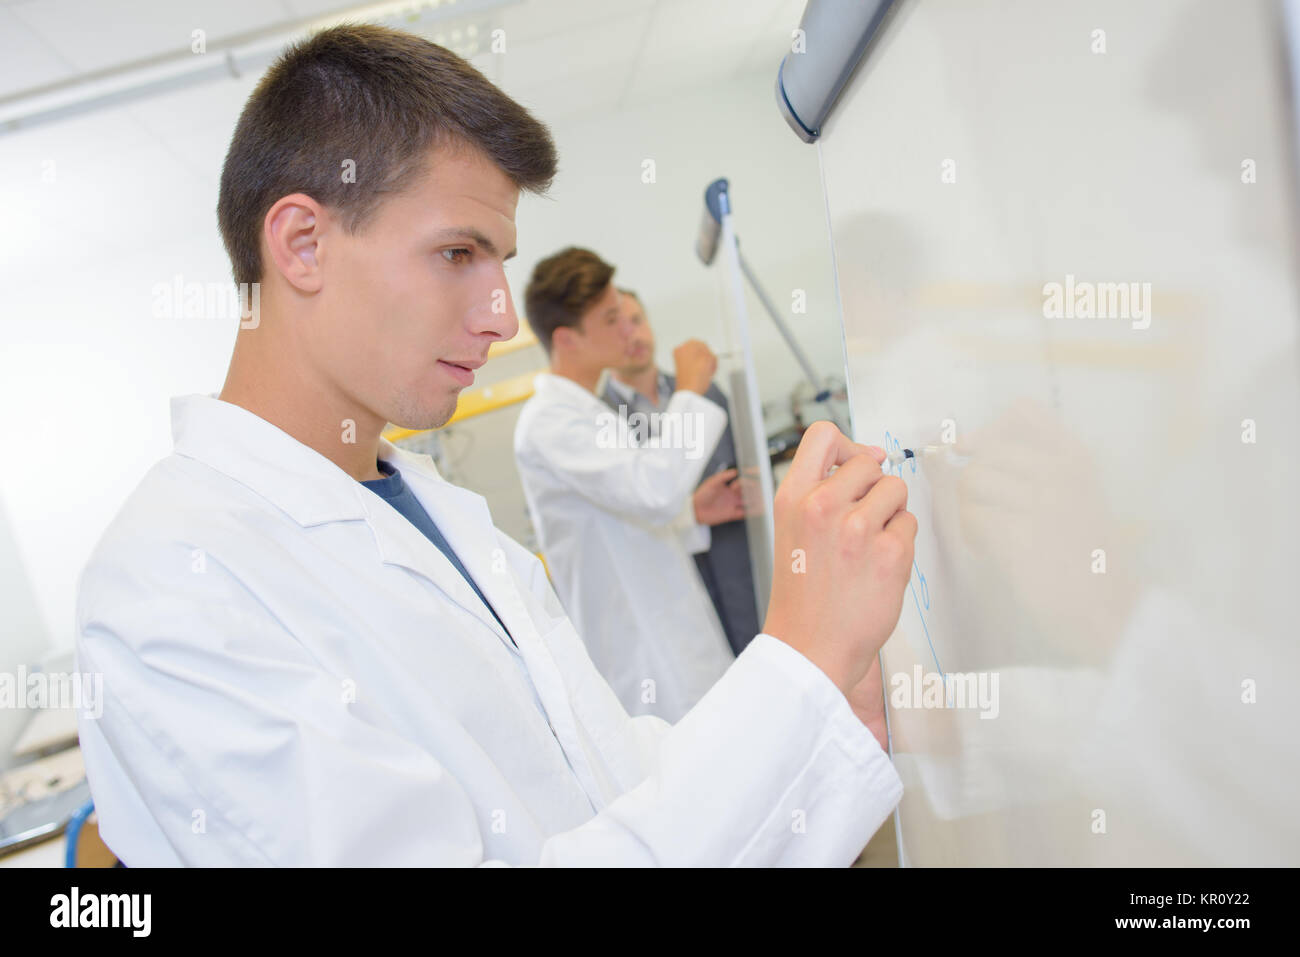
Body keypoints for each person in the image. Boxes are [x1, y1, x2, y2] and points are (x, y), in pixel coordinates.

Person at [74, 24, 917, 867]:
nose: (503, 317)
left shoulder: (436, 509)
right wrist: (796, 665)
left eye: (499, 262)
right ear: (302, 243)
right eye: (456, 253)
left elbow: (608, 778)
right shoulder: (172, 585)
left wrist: (825, 714)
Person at [513, 249, 740, 722]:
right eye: (612, 318)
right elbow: (652, 491)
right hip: (647, 660)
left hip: (671, 636)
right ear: (567, 339)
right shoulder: (550, 421)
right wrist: (692, 391)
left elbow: (624, 515)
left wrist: (691, 513)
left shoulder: (585, 410)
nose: (628, 331)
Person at [602, 287, 761, 657]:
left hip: (741, 569)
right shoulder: (599, 424)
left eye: (637, 321)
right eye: (616, 327)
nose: (633, 335)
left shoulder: (708, 395)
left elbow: (745, 471)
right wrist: (691, 509)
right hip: (671, 590)